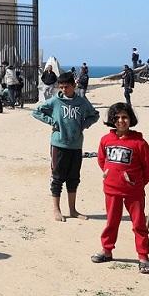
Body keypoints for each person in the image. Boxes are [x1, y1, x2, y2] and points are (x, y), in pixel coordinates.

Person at [90, 103, 149, 274]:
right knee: (111, 222)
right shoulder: (105, 140)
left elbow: (148, 169)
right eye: (117, 118)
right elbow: (102, 160)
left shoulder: (140, 143)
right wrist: (109, 174)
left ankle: (143, 257)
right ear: (112, 120)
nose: (121, 121)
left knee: (139, 224)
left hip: (134, 192)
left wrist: (135, 182)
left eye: (124, 117)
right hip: (111, 189)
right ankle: (107, 250)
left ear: (130, 119)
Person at [31, 72, 100, 222]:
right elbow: (36, 112)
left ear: (74, 86)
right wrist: (52, 121)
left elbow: (94, 115)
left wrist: (84, 124)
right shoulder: (55, 101)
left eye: (66, 87)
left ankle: (73, 210)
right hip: (59, 145)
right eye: (61, 87)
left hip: (76, 145)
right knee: (57, 178)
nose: (64, 90)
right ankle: (56, 209)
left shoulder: (81, 102)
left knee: (74, 178)